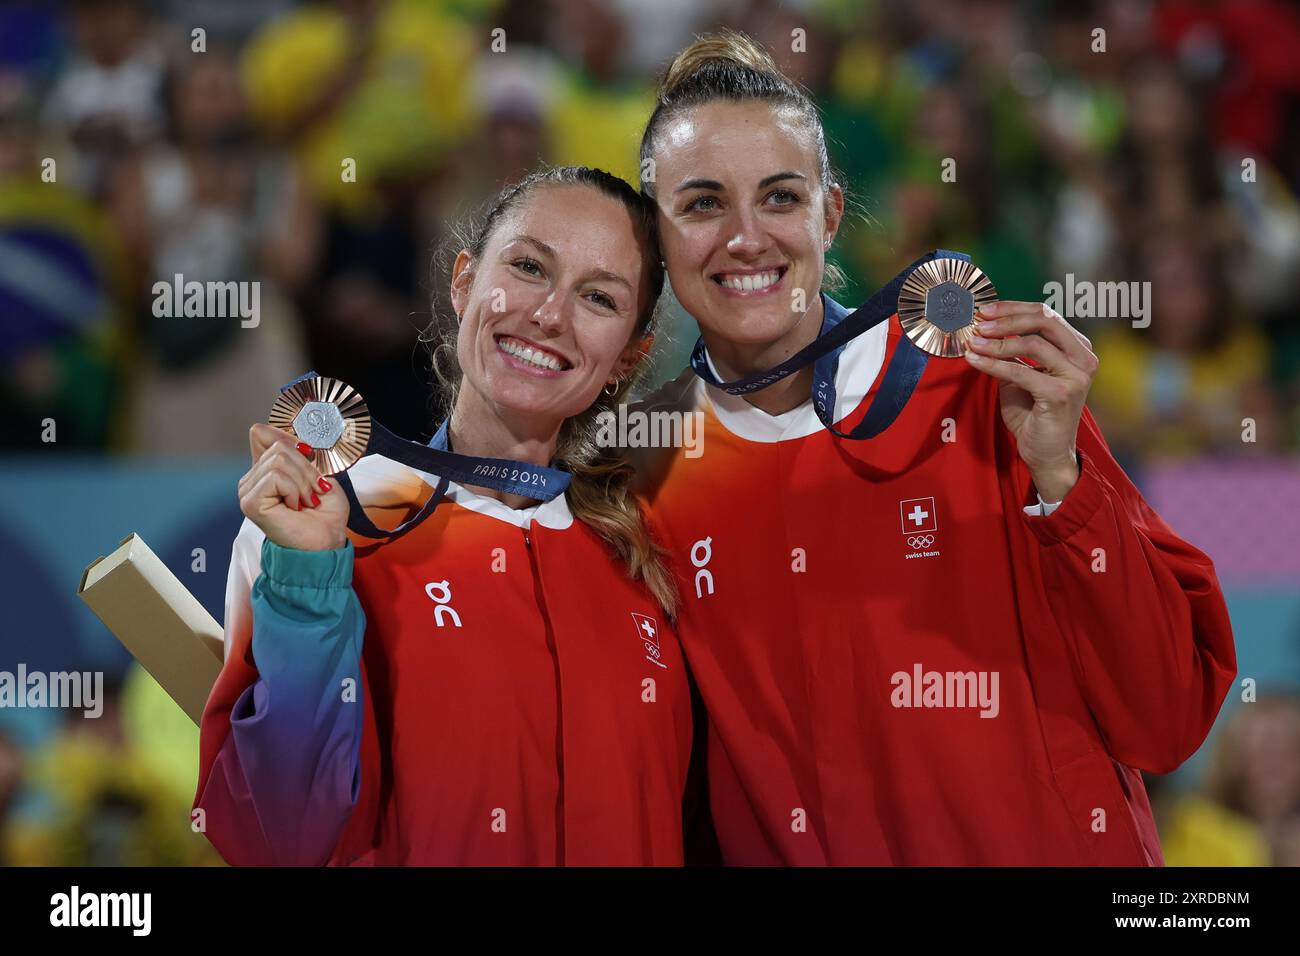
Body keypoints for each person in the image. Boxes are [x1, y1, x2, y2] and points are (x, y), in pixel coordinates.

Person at [630, 32, 1237, 865]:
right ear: (655, 243)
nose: (746, 238)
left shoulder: (990, 385)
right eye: (701, 204)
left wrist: (1064, 481)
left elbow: (1166, 715)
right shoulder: (643, 473)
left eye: (779, 197)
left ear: (830, 214)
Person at [194, 166, 694, 866]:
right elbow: (279, 840)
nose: (550, 314)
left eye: (599, 298)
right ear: (463, 283)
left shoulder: (649, 558)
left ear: (629, 358)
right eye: (527, 266)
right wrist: (308, 581)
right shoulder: (335, 518)